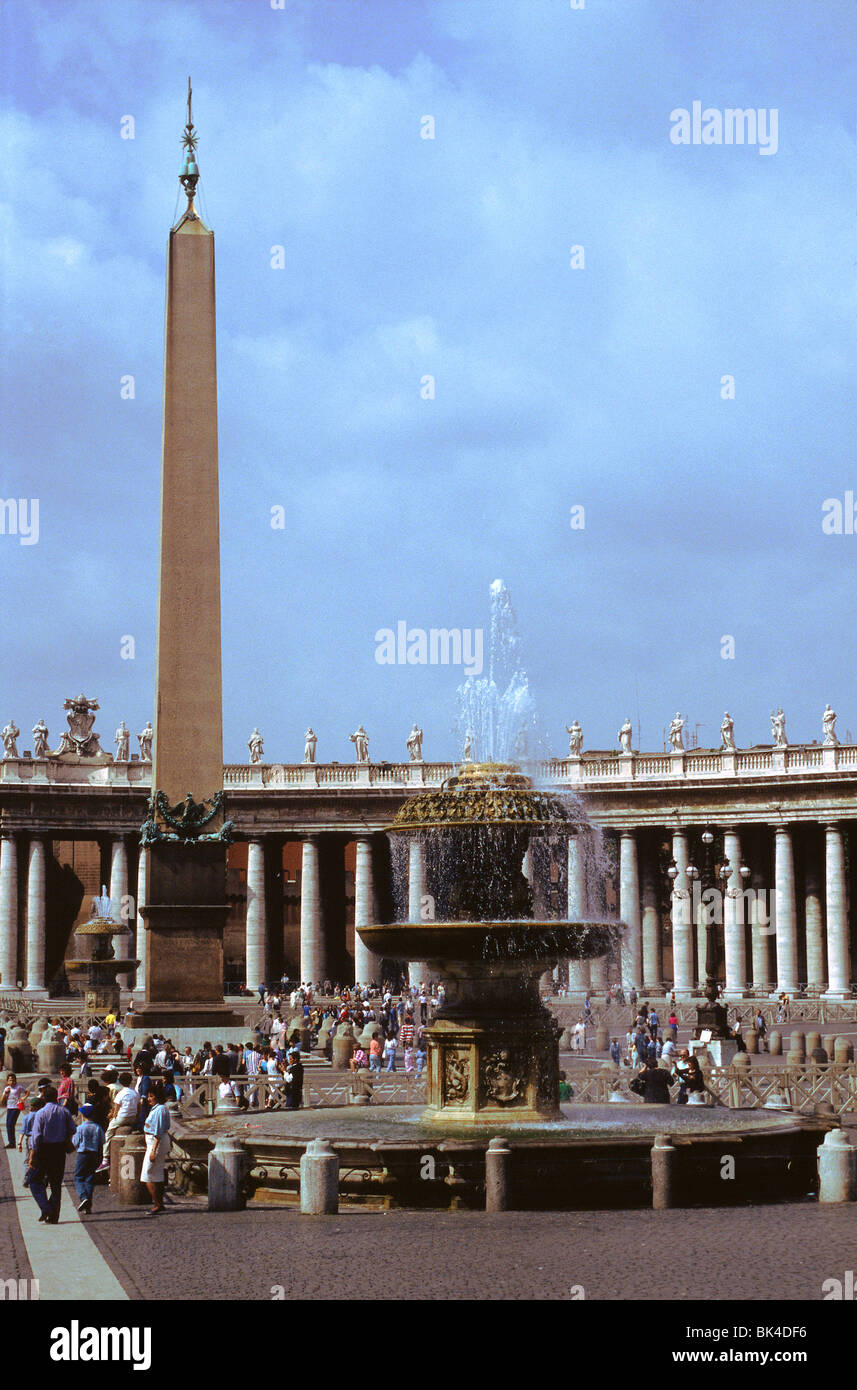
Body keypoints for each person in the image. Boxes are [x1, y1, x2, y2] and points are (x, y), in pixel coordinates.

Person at [27, 1085, 74, 1223]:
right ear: (56, 1097)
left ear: (44, 1098)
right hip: (59, 1150)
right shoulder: (64, 1111)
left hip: (43, 1149)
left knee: (34, 1180)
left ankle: (45, 1207)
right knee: (55, 1183)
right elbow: (72, 1129)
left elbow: (36, 1137)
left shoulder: (41, 1113)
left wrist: (32, 1155)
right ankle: (54, 1216)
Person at [141, 1080, 171, 1215]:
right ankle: (159, 1203)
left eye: (151, 1096)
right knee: (157, 1173)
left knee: (147, 1174)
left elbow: (158, 1131)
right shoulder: (159, 1108)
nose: (149, 1099)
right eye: (148, 1096)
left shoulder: (160, 1110)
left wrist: (153, 1150)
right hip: (155, 1141)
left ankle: (157, 1203)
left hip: (155, 1142)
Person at [101, 1071, 140, 1169]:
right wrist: (136, 1117)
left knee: (108, 1133)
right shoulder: (135, 1093)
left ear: (121, 1082)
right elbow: (139, 1106)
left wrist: (112, 1116)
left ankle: (105, 1158)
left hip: (122, 1117)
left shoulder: (121, 1093)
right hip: (133, 1117)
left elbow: (116, 1108)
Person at [72, 1103, 104, 1215]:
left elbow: (75, 1142)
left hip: (83, 1154)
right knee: (90, 1178)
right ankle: (88, 1205)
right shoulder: (97, 1127)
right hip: (94, 1154)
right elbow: (102, 1142)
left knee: (78, 1177)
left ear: (83, 1115)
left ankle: (83, 1196)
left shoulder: (80, 1128)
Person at [1, 1072, 27, 1148]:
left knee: (10, 1125)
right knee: (8, 1125)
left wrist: (23, 1098)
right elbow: (2, 1101)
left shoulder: (18, 1087)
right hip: (9, 1108)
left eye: (13, 1080)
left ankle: (12, 1143)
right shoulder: (7, 1088)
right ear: (7, 1081)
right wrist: (6, 1093)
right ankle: (11, 1142)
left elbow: (27, 1092)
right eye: (10, 1080)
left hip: (16, 1108)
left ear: (15, 1080)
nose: (11, 1082)